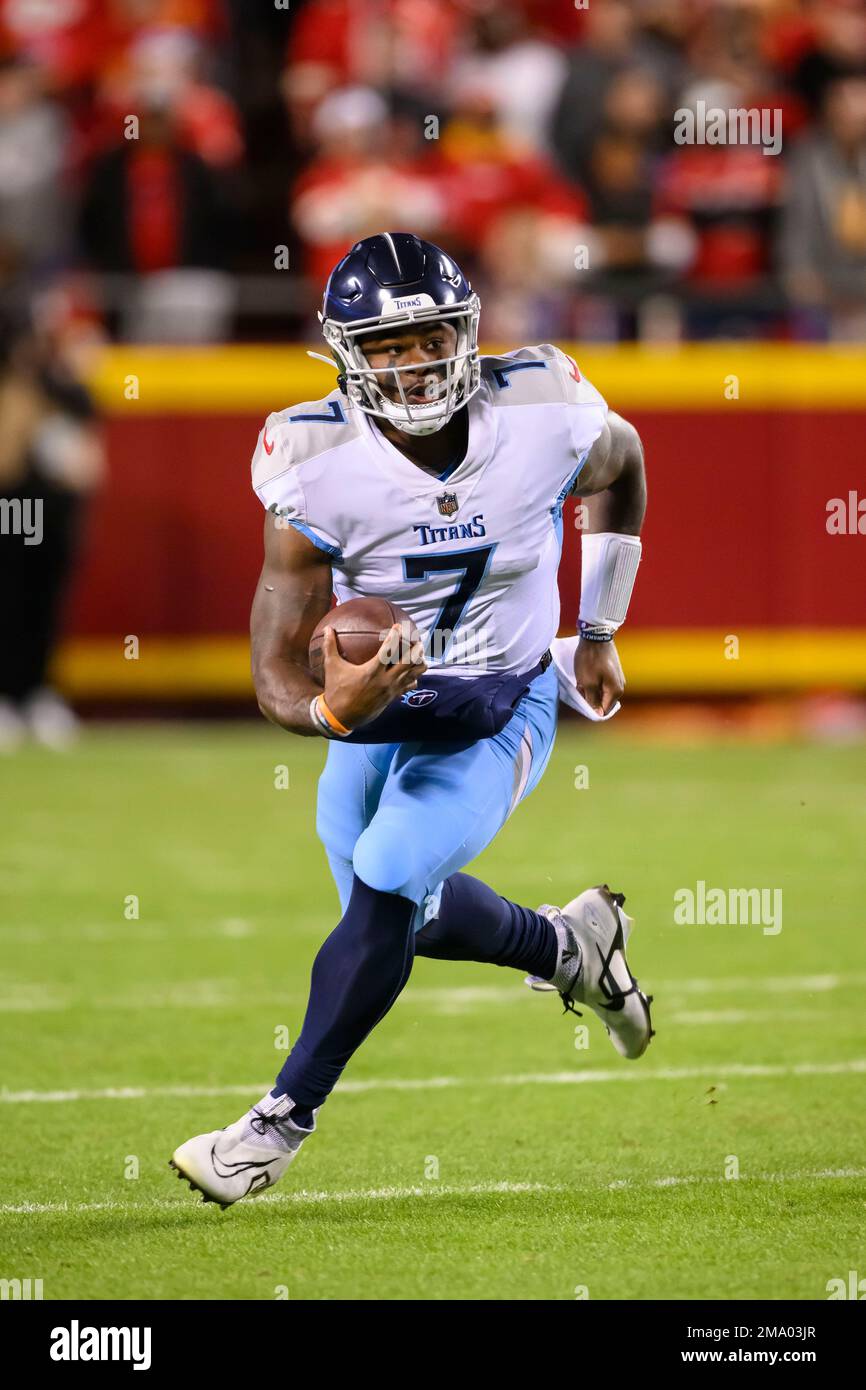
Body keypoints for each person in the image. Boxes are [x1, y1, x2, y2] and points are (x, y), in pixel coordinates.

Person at [170, 232, 653, 1208]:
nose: (413, 362)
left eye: (428, 337)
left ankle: (275, 1124)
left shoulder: (543, 410)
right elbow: (271, 663)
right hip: (385, 709)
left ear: (466, 333)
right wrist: (322, 708)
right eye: (384, 347)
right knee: (403, 913)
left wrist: (597, 624)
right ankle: (570, 947)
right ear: (345, 355)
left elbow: (621, 464)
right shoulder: (312, 456)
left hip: (499, 697)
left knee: (389, 876)